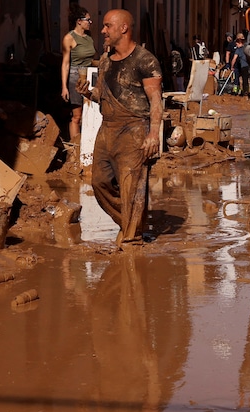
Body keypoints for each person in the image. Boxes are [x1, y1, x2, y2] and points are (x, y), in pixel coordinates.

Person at [77, 9, 163, 246]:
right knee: (99, 182)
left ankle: (131, 241)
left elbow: (156, 99)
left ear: (123, 28)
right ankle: (129, 223)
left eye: (107, 26)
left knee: (131, 188)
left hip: (134, 130)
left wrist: (154, 133)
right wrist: (89, 94)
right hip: (107, 129)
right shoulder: (105, 60)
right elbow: (103, 96)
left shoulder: (145, 60)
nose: (102, 31)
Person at [60, 6, 96, 141]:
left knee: (91, 112)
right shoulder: (69, 38)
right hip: (76, 75)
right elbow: (65, 64)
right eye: (88, 20)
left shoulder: (89, 38)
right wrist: (64, 87)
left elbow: (91, 59)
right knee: (77, 115)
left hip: (90, 75)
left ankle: (88, 144)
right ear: (79, 21)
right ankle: (75, 148)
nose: (90, 23)